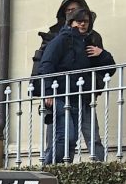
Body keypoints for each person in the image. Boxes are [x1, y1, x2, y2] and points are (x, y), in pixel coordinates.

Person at [38, 8, 115, 162]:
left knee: (81, 139)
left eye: (85, 21)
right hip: (62, 95)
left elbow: (110, 68)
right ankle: (50, 170)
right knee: (65, 137)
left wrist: (102, 54)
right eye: (78, 20)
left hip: (82, 98)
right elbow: (46, 64)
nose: (82, 24)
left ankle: (64, 169)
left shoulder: (87, 43)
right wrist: (48, 92)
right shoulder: (61, 39)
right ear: (71, 22)